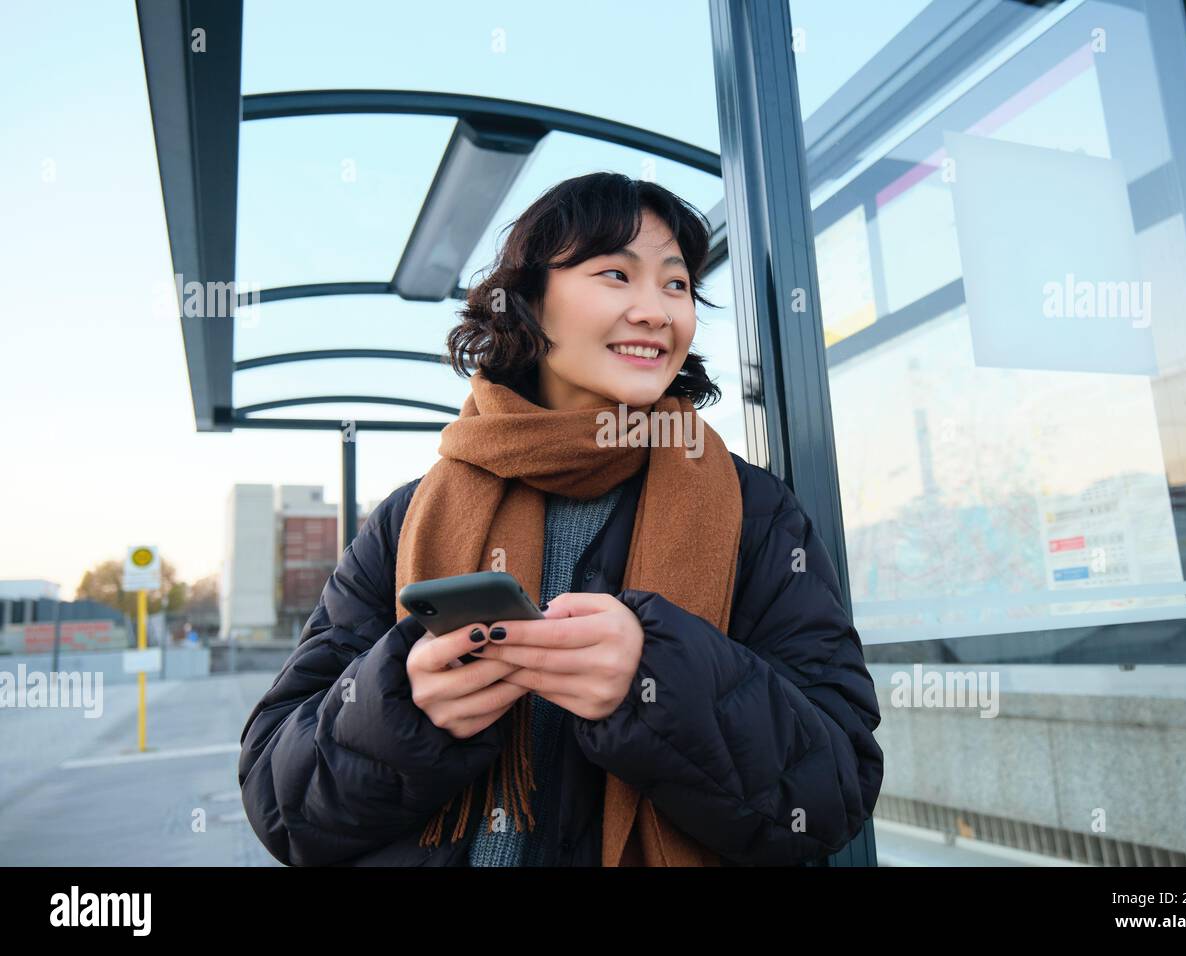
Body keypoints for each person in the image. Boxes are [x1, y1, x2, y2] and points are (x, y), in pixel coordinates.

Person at [238, 171, 884, 867]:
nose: (657, 312)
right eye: (616, 275)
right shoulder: (407, 517)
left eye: (676, 284)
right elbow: (281, 804)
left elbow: (833, 793)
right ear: (529, 302)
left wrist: (656, 681)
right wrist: (402, 705)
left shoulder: (756, 513)